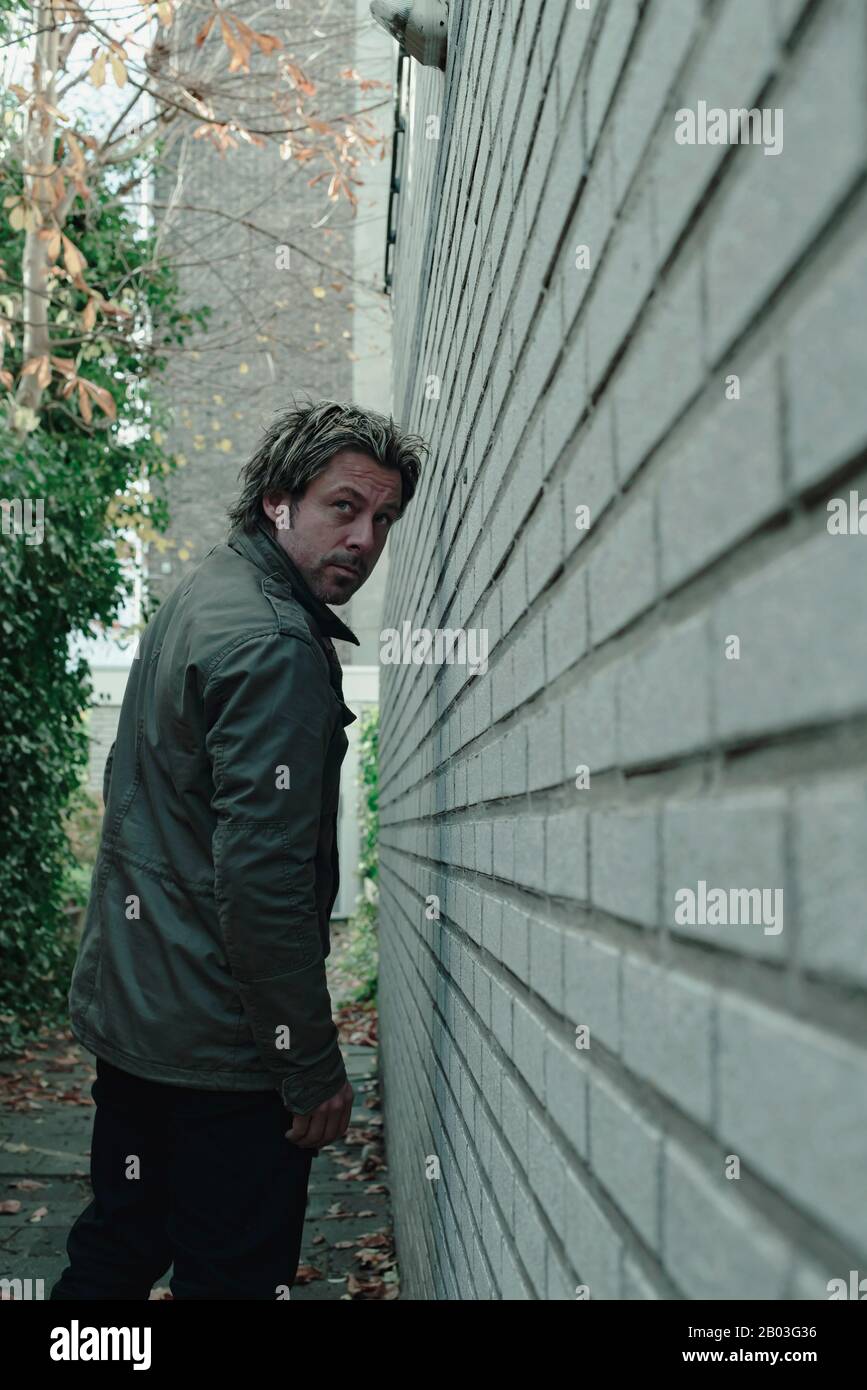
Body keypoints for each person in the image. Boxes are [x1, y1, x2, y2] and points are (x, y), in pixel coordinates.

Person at [49, 400, 427, 1300]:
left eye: (383, 519)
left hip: (138, 1019)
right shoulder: (273, 645)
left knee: (118, 1246)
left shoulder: (207, 590)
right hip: (223, 1052)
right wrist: (308, 1068)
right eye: (343, 507)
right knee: (229, 1276)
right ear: (277, 503)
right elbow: (263, 883)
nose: (365, 539)